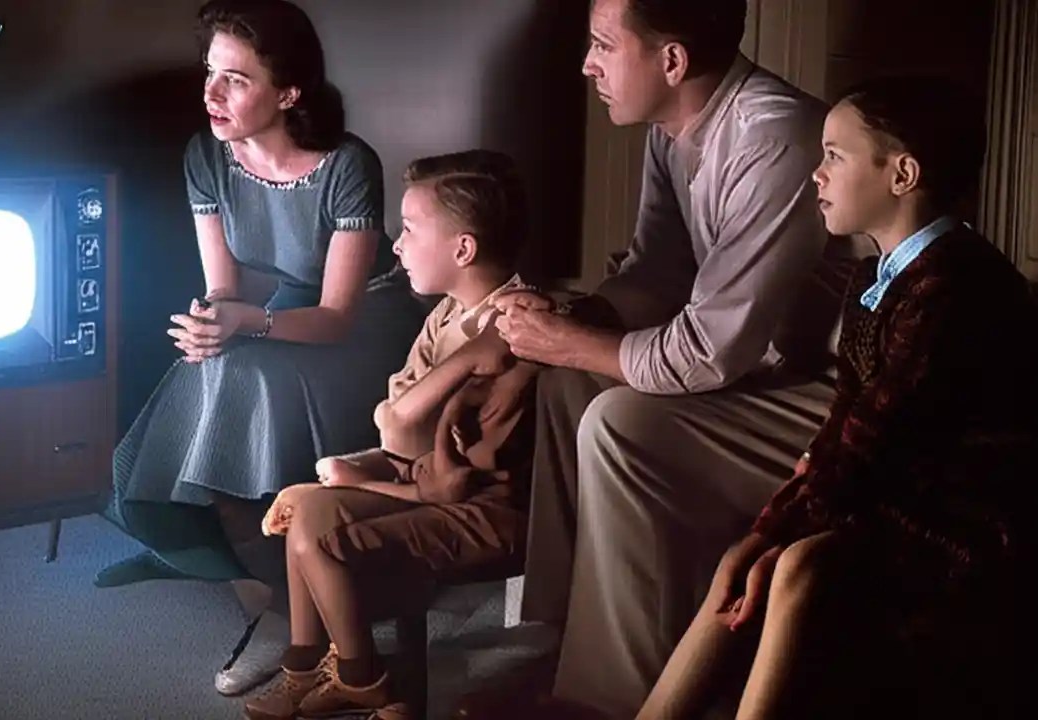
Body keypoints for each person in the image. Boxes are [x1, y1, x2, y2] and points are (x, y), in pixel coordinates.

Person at [459, 1, 864, 717]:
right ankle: (557, 638)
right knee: (567, 389)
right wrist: (550, 333)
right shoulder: (673, 131)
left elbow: (710, 349)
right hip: (754, 368)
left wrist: (570, 341)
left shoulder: (773, 136)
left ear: (671, 61)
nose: (588, 65)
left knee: (621, 424)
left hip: (824, 392)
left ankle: (608, 699)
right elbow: (655, 276)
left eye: (602, 46)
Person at [637, 75, 1038, 720]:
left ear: (902, 173)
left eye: (835, 155)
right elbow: (844, 422)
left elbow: (879, 439)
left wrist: (785, 534)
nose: (816, 175)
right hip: (899, 491)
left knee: (799, 565)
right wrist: (763, 531)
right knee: (744, 558)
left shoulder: (956, 285)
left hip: (971, 516)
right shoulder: (871, 278)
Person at [97, 0, 424, 697]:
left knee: (252, 382)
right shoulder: (205, 156)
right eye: (210, 73)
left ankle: (294, 617)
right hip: (279, 310)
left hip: (371, 317)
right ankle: (279, 596)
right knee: (213, 369)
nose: (211, 94)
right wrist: (211, 322)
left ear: (289, 91)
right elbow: (224, 286)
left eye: (236, 80)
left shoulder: (346, 163)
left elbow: (336, 314)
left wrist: (246, 324)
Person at [240, 150, 543, 720]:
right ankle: (309, 665)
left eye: (409, 229)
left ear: (463, 249)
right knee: (308, 509)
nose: (396, 245)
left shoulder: (516, 336)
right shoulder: (450, 315)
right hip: (427, 482)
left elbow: (430, 461)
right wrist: (366, 462)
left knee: (318, 523)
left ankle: (362, 675)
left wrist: (371, 469)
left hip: (483, 510)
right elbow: (396, 422)